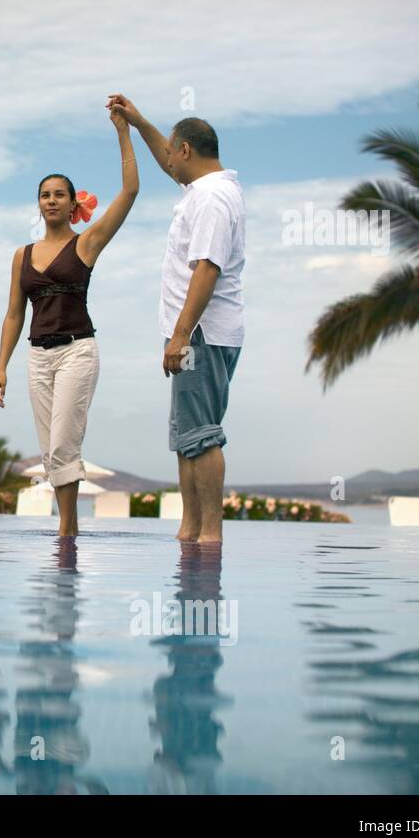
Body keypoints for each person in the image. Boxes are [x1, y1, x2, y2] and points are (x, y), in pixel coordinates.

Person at [0, 104, 138, 536]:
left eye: (59, 194)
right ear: (38, 204)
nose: (51, 200)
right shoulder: (22, 255)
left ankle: (67, 529)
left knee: (62, 443)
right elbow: (14, 313)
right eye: (44, 194)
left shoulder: (87, 244)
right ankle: (67, 526)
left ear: (73, 203)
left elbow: (129, 192)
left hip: (77, 350)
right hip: (38, 357)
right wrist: (1, 366)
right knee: (48, 450)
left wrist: (123, 131)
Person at [107, 94, 246, 545]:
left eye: (172, 149)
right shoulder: (205, 190)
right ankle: (192, 530)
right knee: (188, 435)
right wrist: (138, 121)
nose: (168, 158)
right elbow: (168, 164)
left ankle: (210, 534)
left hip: (200, 334)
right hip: (194, 334)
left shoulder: (212, 199)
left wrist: (182, 335)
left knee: (202, 434)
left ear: (186, 150)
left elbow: (207, 268)